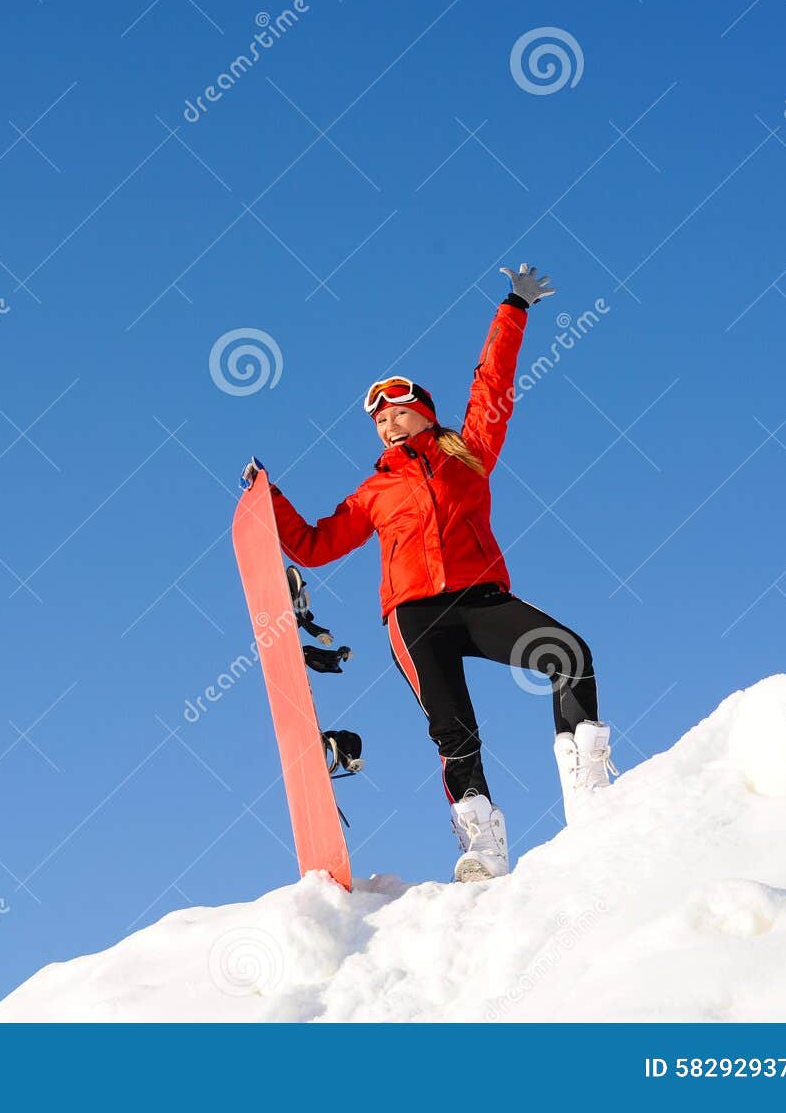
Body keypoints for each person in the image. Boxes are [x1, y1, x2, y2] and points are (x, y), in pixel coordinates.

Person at [247, 265, 614, 882]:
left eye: (397, 412)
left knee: (568, 652)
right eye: (378, 420)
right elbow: (313, 545)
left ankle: (589, 788)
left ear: (424, 413)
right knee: (452, 725)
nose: (387, 424)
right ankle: (482, 842)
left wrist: (513, 309)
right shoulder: (374, 491)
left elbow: (492, 381)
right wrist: (269, 499)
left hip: (481, 601)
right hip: (415, 616)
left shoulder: (467, 452)